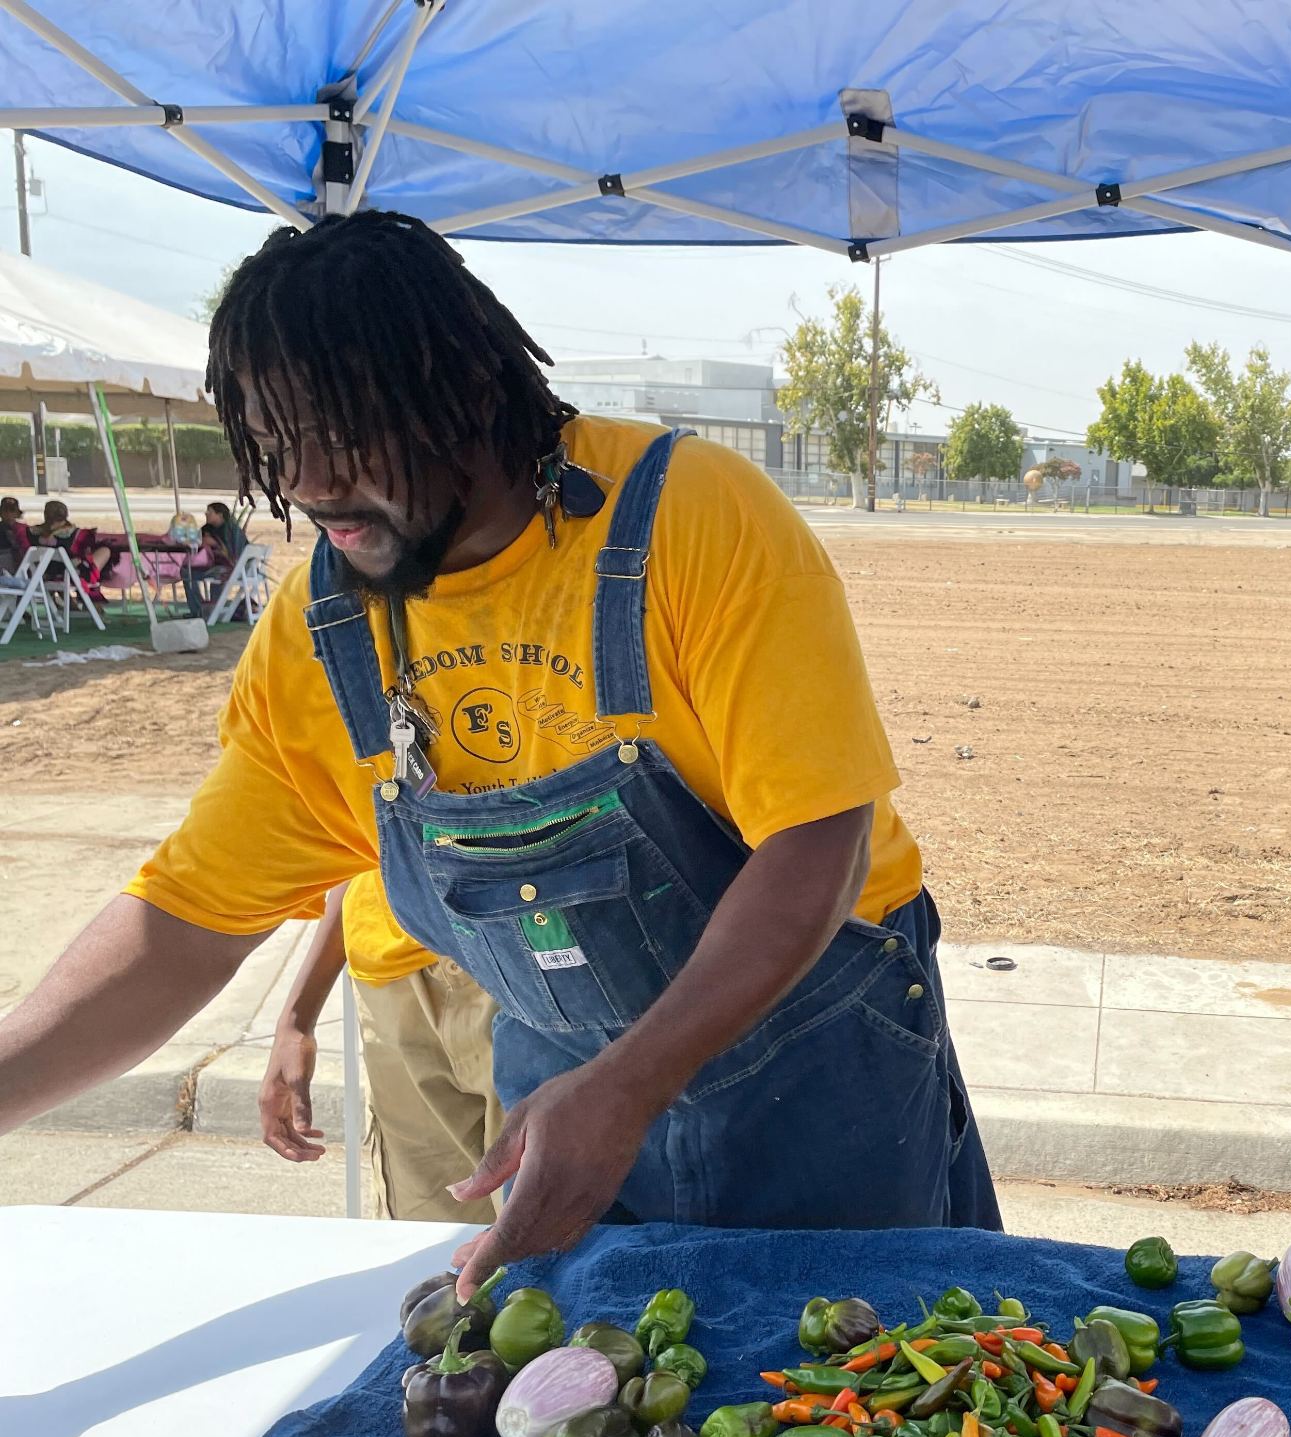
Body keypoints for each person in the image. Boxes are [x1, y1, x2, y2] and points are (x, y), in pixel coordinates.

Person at [0, 211, 1000, 1297]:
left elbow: (817, 845)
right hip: (563, 1101)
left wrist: (628, 1085)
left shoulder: (692, 518)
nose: (311, 482)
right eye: (277, 443)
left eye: (343, 433)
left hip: (822, 1071)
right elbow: (185, 924)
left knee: (866, 1365)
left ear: (466, 387)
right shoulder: (323, 634)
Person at [262, 874, 503, 1224]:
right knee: (427, 1236)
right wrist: (296, 1019)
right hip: (390, 981)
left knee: (554, 1227)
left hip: (516, 963)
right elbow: (356, 848)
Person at [182, 499, 247, 616]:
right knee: (187, 572)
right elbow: (197, 542)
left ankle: (212, 610)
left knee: (218, 573)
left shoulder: (231, 529)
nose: (206, 513)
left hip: (231, 568)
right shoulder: (207, 529)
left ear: (219, 515)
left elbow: (234, 552)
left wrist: (215, 543)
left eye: (210, 511)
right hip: (210, 565)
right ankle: (199, 610)